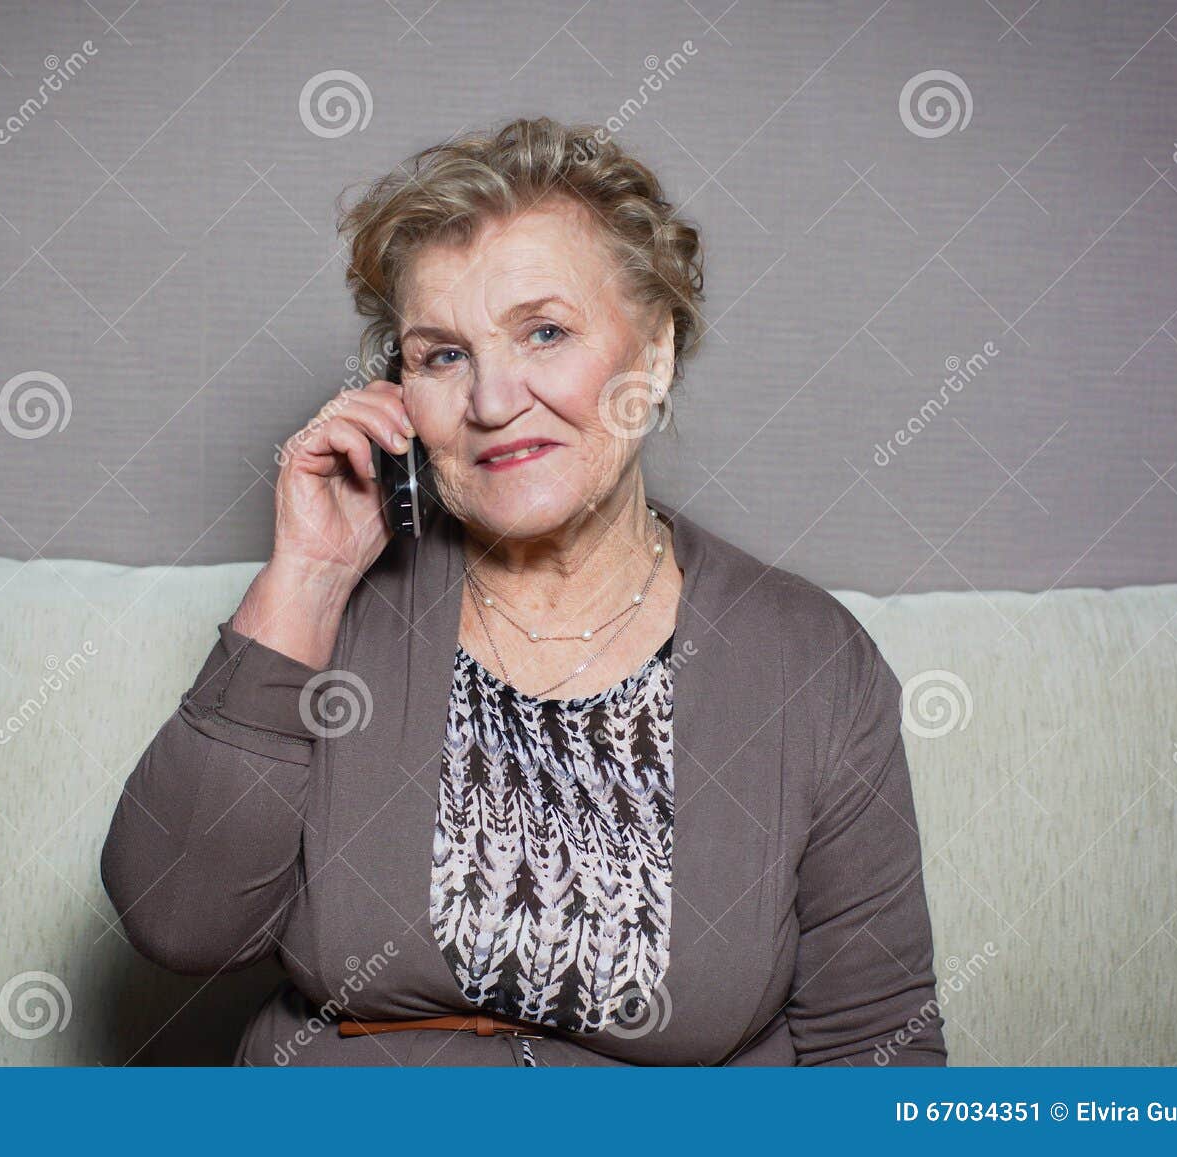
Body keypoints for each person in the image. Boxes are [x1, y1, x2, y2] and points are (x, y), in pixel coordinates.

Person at [100, 116, 947, 1067]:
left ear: (655, 354)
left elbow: (877, 1050)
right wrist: (308, 575)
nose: (494, 401)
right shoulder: (343, 612)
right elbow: (178, 922)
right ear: (399, 393)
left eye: (545, 331)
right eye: (443, 355)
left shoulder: (809, 663)